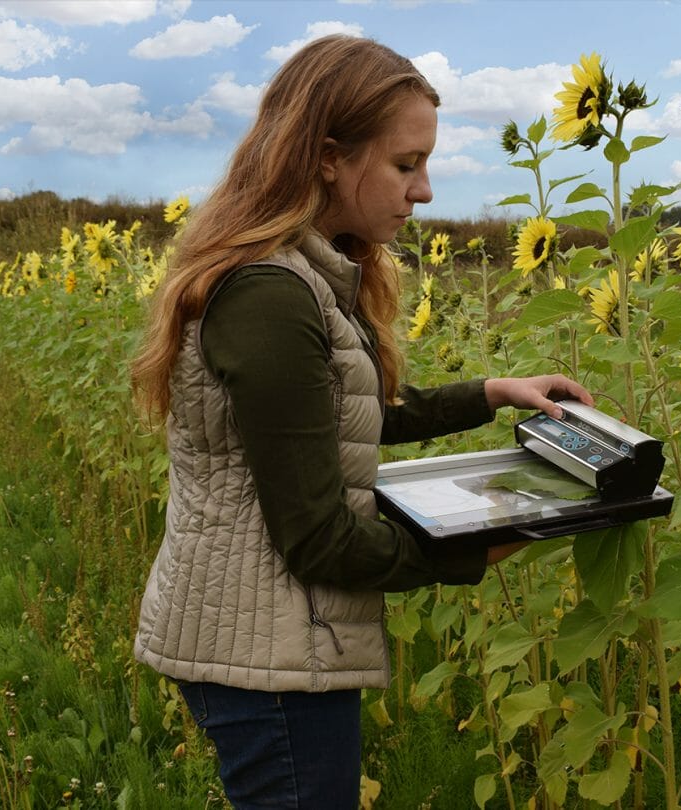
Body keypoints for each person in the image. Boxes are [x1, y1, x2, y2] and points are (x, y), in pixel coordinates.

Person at [129, 34, 592, 809]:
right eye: (406, 164)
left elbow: (345, 417)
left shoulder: (300, 273)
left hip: (265, 639)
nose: (426, 191)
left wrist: (493, 392)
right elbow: (318, 540)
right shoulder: (272, 296)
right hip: (267, 655)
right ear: (327, 157)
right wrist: (484, 544)